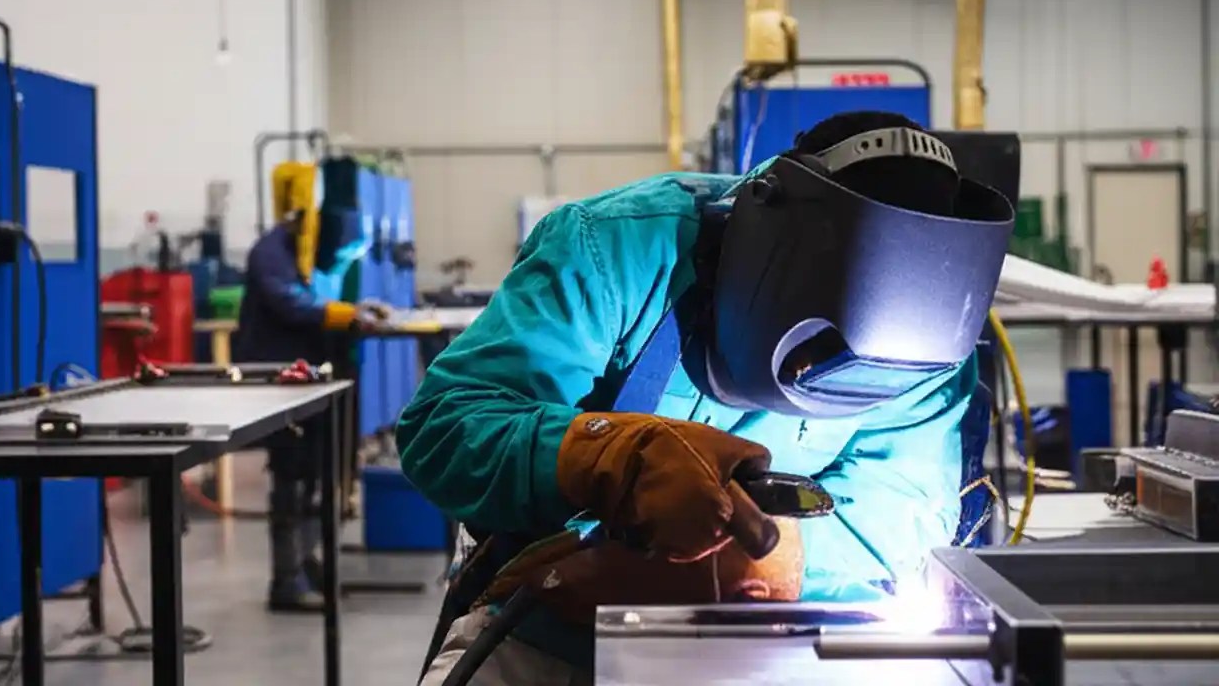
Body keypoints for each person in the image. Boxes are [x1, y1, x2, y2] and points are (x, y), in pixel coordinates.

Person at [397, 111, 1013, 683]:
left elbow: (901, 516)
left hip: (785, 640)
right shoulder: (617, 250)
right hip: (555, 623)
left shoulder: (936, 330)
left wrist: (773, 556)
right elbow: (445, 426)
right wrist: (603, 457)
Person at [236, 161, 389, 612]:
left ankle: (307, 561)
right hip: (280, 379)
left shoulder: (303, 252)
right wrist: (342, 315)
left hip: (309, 377)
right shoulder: (271, 251)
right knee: (291, 476)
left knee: (316, 476)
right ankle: (285, 579)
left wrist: (351, 308)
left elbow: (316, 295)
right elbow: (289, 301)